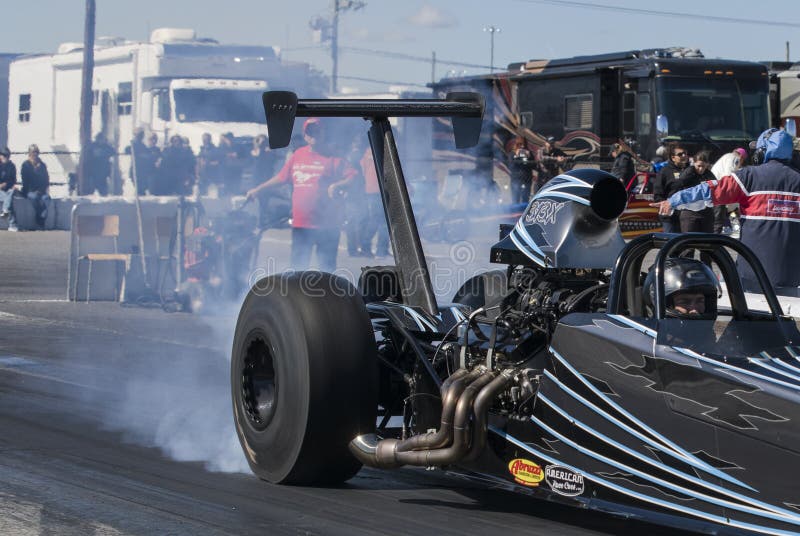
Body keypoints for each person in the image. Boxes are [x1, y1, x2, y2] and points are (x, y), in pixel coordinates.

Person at [652, 128, 800, 296]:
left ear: (762, 151)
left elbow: (707, 191)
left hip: (751, 276)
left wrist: (673, 201)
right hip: (793, 280)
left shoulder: (749, 177)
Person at [245, 118, 357, 272]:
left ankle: (326, 296)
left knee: (327, 269)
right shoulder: (298, 154)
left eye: (317, 131)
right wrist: (258, 189)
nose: (314, 135)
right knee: (298, 268)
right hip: (301, 224)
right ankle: (298, 296)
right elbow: (281, 177)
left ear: (323, 133)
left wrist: (338, 185)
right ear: (305, 136)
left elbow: (353, 177)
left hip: (327, 225)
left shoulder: (333, 156)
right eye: (310, 132)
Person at [642, 257, 720, 320]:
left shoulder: (708, 335)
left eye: (700, 301)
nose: (694, 310)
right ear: (668, 304)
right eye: (685, 302)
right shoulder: (647, 338)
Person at [672, 150, 715, 233]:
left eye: (703, 166)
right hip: (689, 212)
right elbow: (677, 187)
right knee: (690, 241)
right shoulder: (688, 173)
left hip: (706, 212)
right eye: (698, 166)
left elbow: (716, 190)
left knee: (707, 242)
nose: (701, 169)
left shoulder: (709, 175)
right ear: (694, 163)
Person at [653, 142, 689, 233]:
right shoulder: (664, 172)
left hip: (688, 216)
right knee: (671, 243)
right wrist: (666, 207)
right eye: (680, 154)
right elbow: (658, 195)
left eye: (685, 153)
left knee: (688, 244)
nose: (684, 155)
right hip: (670, 217)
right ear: (673, 157)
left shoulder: (691, 170)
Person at [710, 148, 746, 233]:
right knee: (718, 219)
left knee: (720, 216)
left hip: (716, 189)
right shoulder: (734, 158)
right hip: (720, 191)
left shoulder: (726, 156)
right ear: (741, 157)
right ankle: (715, 239)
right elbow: (729, 176)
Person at [20, 144, 50, 227]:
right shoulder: (26, 165)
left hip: (41, 191)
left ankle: (39, 217)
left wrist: (39, 170)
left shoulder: (42, 165)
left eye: (36, 152)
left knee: (46, 199)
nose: (35, 154)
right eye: (33, 152)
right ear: (29, 153)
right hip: (30, 190)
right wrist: (35, 170)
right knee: (34, 197)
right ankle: (40, 220)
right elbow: (25, 180)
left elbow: (46, 180)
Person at [508, 137, 535, 204]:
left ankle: (524, 213)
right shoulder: (512, 154)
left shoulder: (529, 153)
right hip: (516, 180)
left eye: (524, 145)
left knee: (525, 199)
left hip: (526, 180)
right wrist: (516, 156)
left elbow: (534, 166)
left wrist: (529, 157)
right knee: (515, 200)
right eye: (520, 144)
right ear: (516, 145)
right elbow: (511, 167)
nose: (522, 147)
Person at [0, 147, 18, 231]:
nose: (5, 158)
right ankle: (12, 224)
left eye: (7, 156)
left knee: (10, 193)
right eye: (4, 156)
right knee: (9, 199)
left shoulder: (12, 166)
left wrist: (6, 184)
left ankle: (5, 209)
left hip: (7, 190)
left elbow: (13, 180)